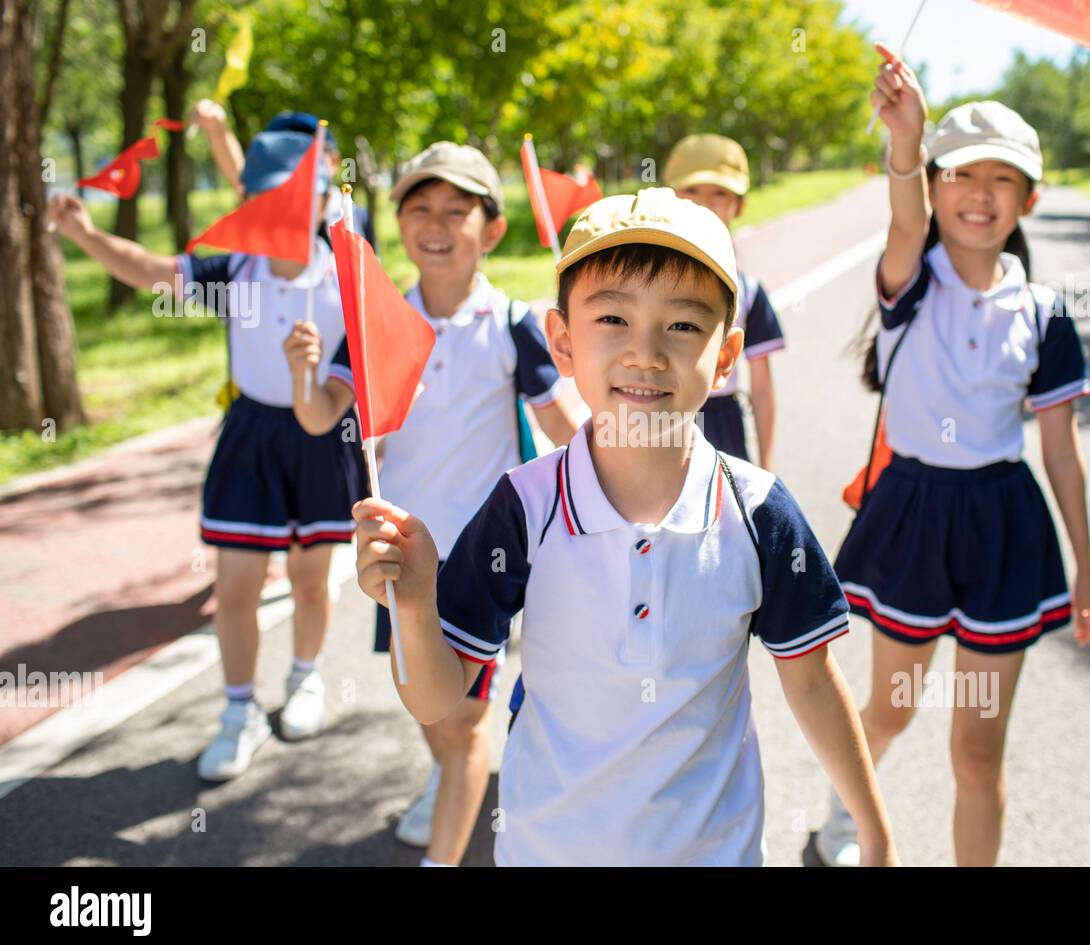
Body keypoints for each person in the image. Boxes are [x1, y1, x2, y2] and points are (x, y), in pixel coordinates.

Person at [353, 187, 898, 866]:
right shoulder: (522, 505)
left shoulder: (761, 511)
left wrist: (875, 833)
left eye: (682, 326)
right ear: (562, 342)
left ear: (726, 357)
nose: (645, 352)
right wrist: (414, 603)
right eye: (612, 317)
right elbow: (437, 700)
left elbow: (812, 680)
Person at [811, 44, 1090, 867]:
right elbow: (903, 218)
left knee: (978, 751)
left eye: (1001, 179)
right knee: (895, 707)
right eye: (960, 176)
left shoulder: (1045, 313)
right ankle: (845, 817)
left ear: (1030, 198)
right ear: (937, 189)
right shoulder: (909, 279)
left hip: (1003, 525)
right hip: (913, 513)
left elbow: (1063, 454)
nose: (979, 195)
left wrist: (1086, 567)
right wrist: (907, 138)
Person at [284, 141, 581, 865]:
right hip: (402, 559)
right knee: (428, 707)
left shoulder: (514, 323)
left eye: (457, 209)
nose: (436, 223)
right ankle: (453, 774)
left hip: (488, 560)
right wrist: (301, 377)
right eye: (419, 208)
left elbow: (568, 429)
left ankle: (445, 840)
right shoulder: (377, 319)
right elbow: (324, 414)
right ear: (400, 222)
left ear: (494, 228)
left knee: (468, 721)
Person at [49, 127, 363, 781]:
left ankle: (304, 679)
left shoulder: (345, 275)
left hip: (320, 438)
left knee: (310, 580)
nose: (281, 209)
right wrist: (82, 235)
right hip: (250, 438)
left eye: (297, 195)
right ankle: (238, 710)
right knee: (237, 586)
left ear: (321, 200)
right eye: (266, 198)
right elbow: (149, 270)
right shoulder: (237, 273)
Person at [664, 134, 785, 470]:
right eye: (691, 190)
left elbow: (761, 387)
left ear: (739, 205)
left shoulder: (748, 291)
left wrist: (768, 467)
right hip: (659, 414)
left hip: (722, 422)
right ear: (671, 197)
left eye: (719, 192)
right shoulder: (646, 284)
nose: (704, 202)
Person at [189, 100, 377, 249]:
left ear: (334, 161)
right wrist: (216, 129)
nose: (294, 165)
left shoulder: (354, 217)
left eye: (307, 152)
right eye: (280, 153)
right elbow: (240, 178)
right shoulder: (267, 208)